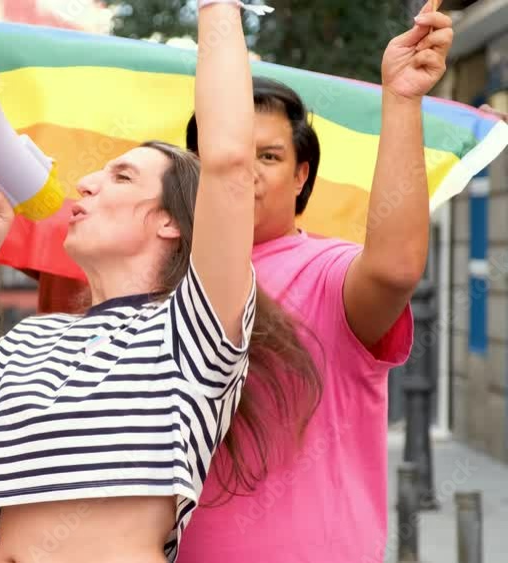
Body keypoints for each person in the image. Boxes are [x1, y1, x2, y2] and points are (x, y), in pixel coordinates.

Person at [0, 2, 322, 561]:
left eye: (121, 176)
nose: (87, 183)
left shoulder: (188, 334)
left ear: (170, 220)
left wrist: (217, 10)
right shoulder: (29, 342)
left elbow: (229, 160)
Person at [175, 4, 453, 563]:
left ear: (302, 175)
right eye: (224, 153)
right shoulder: (164, 275)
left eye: (270, 156)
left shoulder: (327, 271)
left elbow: (396, 267)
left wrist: (401, 100)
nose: (244, 170)